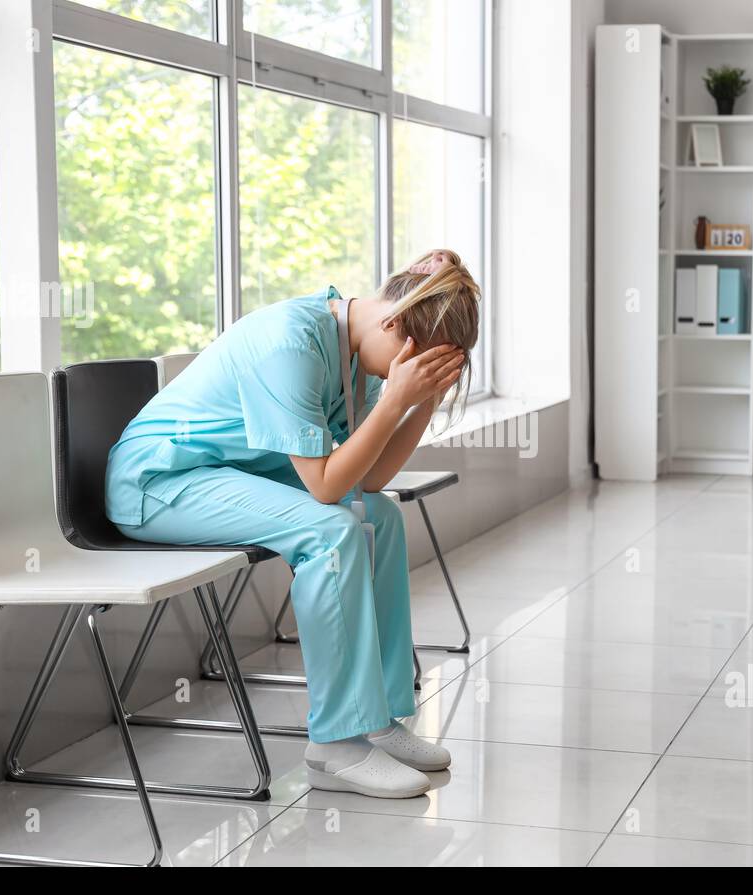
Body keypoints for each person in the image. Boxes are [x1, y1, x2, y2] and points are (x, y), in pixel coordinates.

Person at [105, 250, 479, 799]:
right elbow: (327, 489)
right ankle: (336, 742)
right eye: (416, 363)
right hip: (159, 482)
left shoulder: (358, 348)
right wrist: (397, 396)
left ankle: (378, 717)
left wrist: (418, 403)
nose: (405, 377)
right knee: (330, 534)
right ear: (394, 324)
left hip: (226, 474)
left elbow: (369, 482)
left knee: (380, 517)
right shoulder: (291, 343)